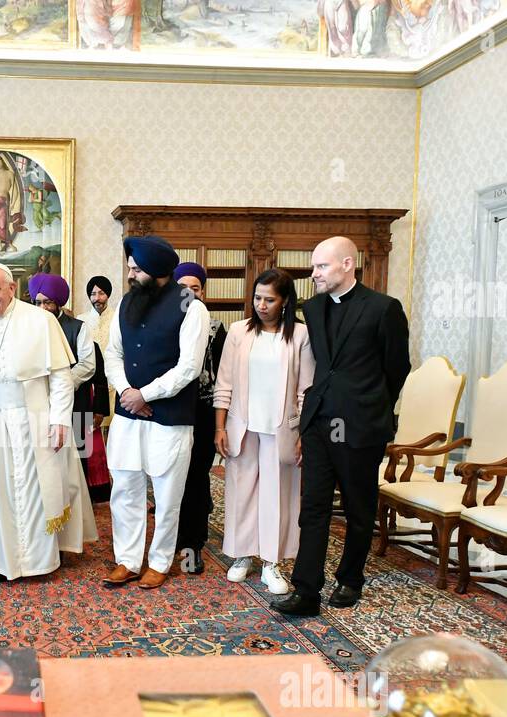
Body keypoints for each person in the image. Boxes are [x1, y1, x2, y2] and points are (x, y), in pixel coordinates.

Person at [272, 236, 411, 616]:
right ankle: (306, 590)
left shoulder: (384, 308)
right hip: (320, 421)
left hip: (360, 425)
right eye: (315, 266)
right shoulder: (313, 308)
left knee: (357, 508)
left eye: (322, 266)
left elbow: (398, 367)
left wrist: (371, 405)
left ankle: (351, 580)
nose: (314, 273)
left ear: (348, 264)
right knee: (313, 506)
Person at [0, 263, 96, 583]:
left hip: (35, 415)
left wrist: (60, 421)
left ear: (12, 289)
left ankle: (39, 560)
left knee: (38, 489)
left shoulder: (40, 321)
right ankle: (0, 562)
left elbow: (61, 378)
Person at [102, 235, 207, 590]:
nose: (130, 273)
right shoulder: (125, 304)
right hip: (128, 418)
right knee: (126, 489)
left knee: (166, 495)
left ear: (157, 271)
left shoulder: (192, 307)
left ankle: (160, 561)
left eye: (136, 268)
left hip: (170, 419)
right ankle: (128, 560)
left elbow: (189, 367)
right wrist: (127, 393)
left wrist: (145, 394)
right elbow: (113, 355)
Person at [213, 269, 314, 593]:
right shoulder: (239, 331)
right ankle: (242, 555)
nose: (262, 305)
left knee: (278, 497)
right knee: (242, 493)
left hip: (281, 429)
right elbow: (223, 383)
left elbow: (305, 390)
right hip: (243, 426)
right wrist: (220, 426)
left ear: (285, 301)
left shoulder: (300, 335)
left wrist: (302, 435)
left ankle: (272, 563)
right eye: (257, 298)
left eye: (270, 299)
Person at [30, 273, 108, 502]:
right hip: (40, 404)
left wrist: (61, 385)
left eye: (48, 302)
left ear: (58, 302)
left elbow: (88, 365)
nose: (43, 307)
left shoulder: (78, 327)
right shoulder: (30, 326)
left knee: (77, 457)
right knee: (45, 454)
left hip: (77, 402)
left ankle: (78, 507)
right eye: (38, 302)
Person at [171, 262, 226, 575]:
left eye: (196, 288)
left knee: (195, 477)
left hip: (202, 413)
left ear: (203, 292)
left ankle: (192, 544)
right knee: (170, 478)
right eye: (184, 287)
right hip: (171, 411)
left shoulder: (216, 328)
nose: (189, 293)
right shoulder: (166, 324)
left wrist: (222, 423)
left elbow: (222, 379)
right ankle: (171, 538)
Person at [75, 275, 114, 502]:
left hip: (116, 387)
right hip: (91, 389)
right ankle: (94, 484)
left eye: (101, 293)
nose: (97, 298)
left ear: (108, 294)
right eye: (93, 294)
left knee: (114, 441)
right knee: (93, 439)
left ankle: (114, 482)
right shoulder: (81, 321)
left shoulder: (118, 318)